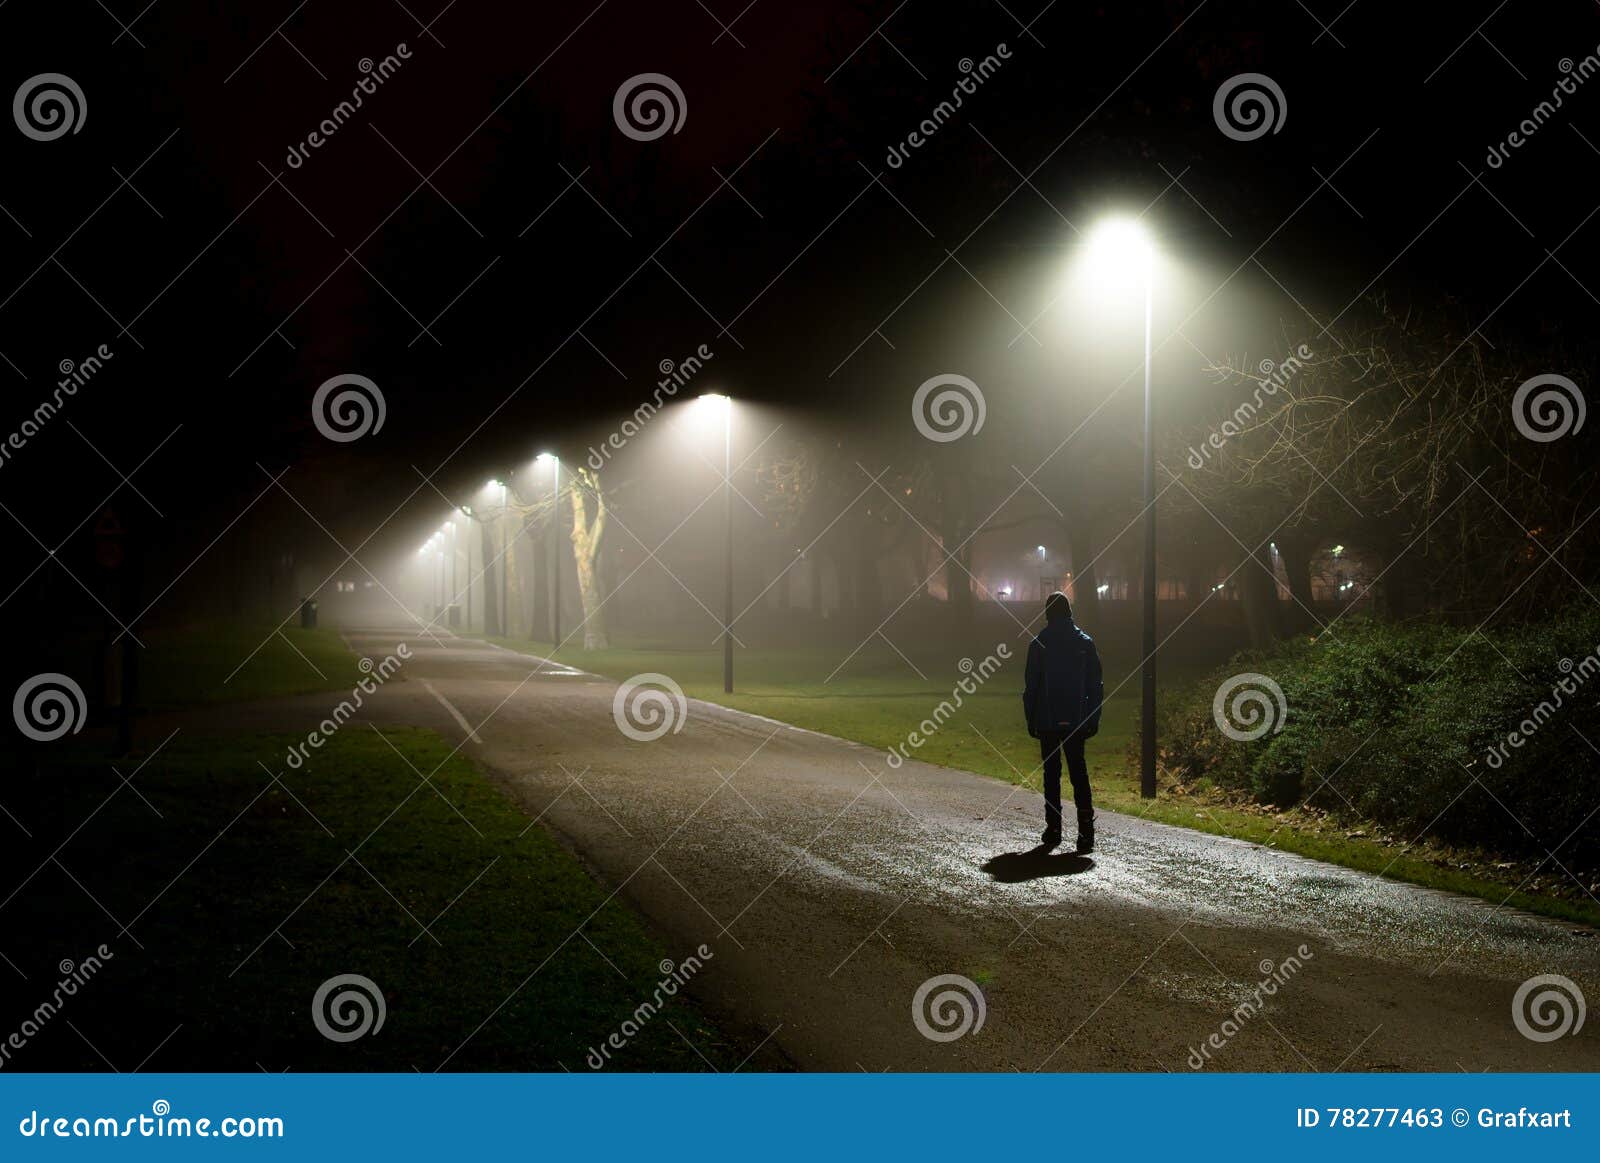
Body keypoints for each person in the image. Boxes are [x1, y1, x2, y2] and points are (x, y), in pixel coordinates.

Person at [1022, 591, 1103, 852]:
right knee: (1079, 771)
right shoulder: (1084, 643)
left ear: (1047, 613)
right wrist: (1093, 715)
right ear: (1069, 612)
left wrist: (1030, 718)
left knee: (1052, 773)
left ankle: (1054, 827)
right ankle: (1086, 831)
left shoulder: (1039, 644)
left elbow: (1031, 686)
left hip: (1047, 717)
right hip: (1077, 716)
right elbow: (1095, 684)